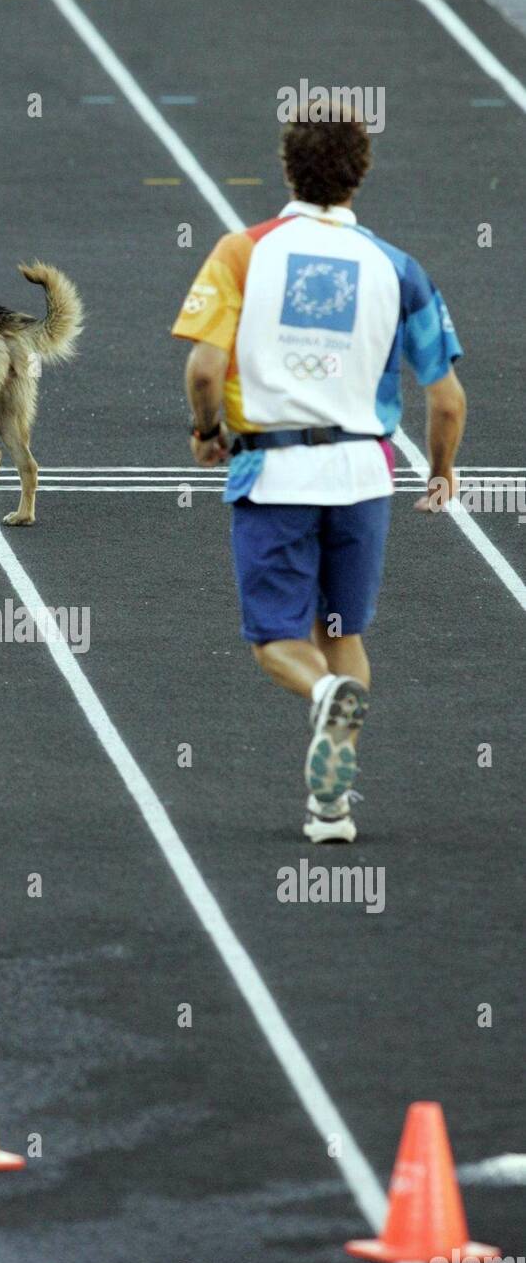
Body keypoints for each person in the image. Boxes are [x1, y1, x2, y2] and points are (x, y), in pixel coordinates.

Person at [172, 97, 465, 842]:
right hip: (363, 477)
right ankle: (329, 807)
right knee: (341, 630)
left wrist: (206, 432)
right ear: (358, 176)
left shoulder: (242, 251)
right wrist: (440, 471)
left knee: (278, 641)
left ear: (285, 167)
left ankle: (324, 694)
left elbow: (204, 367)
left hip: (275, 476)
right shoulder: (397, 268)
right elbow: (447, 399)